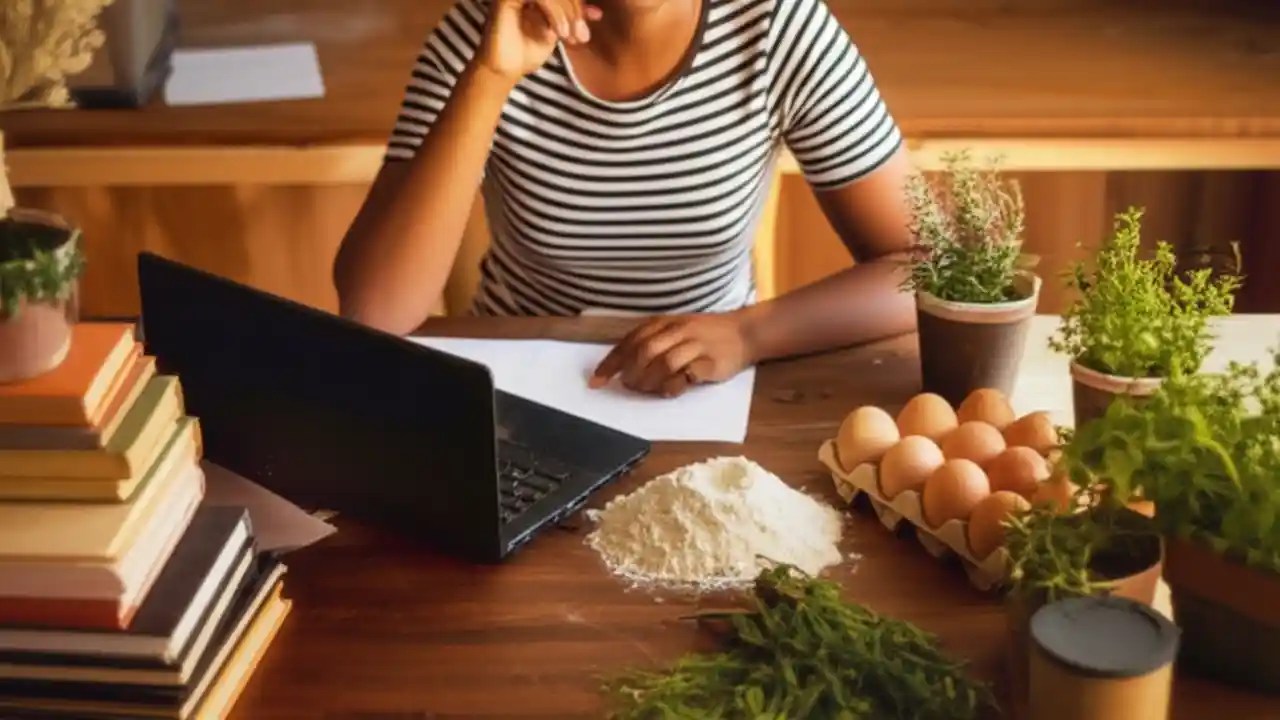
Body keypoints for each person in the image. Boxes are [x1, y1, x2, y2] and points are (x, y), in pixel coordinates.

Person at [333, 0, 917, 398]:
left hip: (707, 382)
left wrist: (748, 333)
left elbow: (928, 264)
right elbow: (375, 311)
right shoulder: (485, 33)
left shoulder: (776, 27)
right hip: (517, 380)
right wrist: (492, 75)